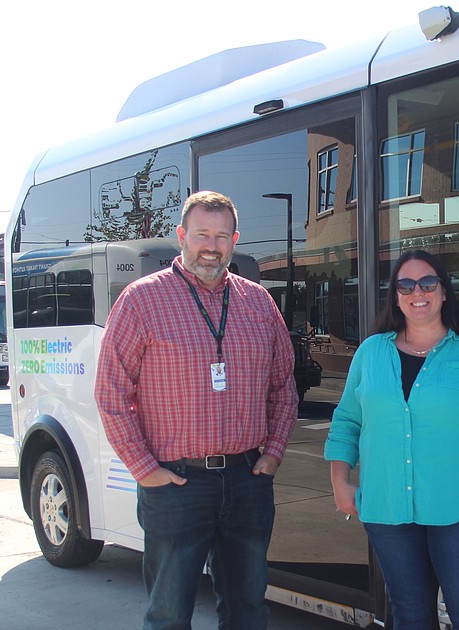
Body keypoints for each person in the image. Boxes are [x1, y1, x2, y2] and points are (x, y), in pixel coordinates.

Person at [95, 190, 298, 630]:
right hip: (176, 484)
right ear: (182, 235)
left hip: (247, 481)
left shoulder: (259, 303)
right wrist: (144, 469)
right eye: (202, 233)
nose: (212, 245)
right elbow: (112, 393)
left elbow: (284, 385)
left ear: (235, 240)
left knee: (248, 610)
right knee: (169, 614)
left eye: (222, 236)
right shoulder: (141, 300)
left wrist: (274, 452)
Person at [324, 249, 459, 629]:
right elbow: (347, 421)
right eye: (406, 284)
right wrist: (339, 481)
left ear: (444, 292)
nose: (418, 292)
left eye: (428, 283)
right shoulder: (370, 353)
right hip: (387, 507)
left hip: (457, 511)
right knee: (410, 614)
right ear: (396, 294)